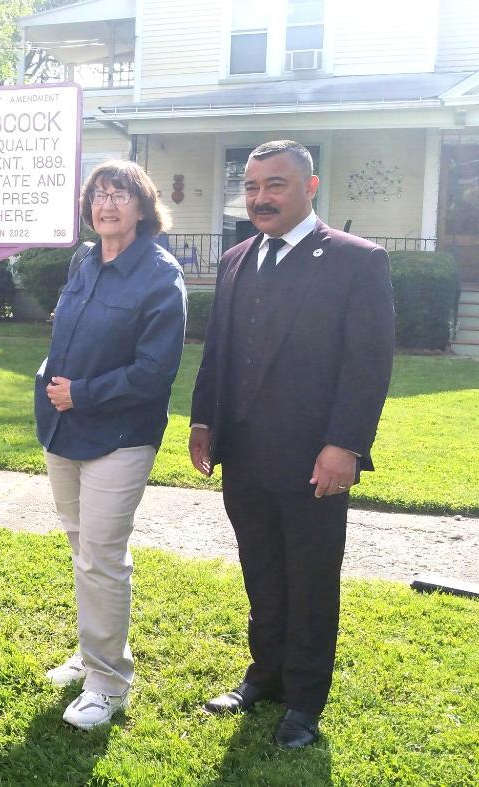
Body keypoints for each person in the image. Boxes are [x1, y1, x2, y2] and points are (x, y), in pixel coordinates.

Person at [189, 140, 394, 749]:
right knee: (262, 571)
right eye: (251, 187)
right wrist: (204, 421)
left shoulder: (358, 261)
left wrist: (345, 445)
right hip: (244, 453)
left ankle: (304, 701)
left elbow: (368, 365)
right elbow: (218, 351)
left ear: (310, 187)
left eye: (274, 185)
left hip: (314, 458)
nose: (260, 198)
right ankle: (265, 674)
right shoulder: (234, 260)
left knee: (310, 578)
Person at [34, 160, 187, 729]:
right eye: (98, 194)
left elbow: (155, 370)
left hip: (120, 436)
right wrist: (50, 380)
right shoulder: (84, 260)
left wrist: (84, 393)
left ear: (143, 207)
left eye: (120, 194)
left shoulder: (159, 273)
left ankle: (107, 682)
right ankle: (90, 654)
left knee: (102, 556)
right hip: (63, 427)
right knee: (83, 549)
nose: (107, 204)